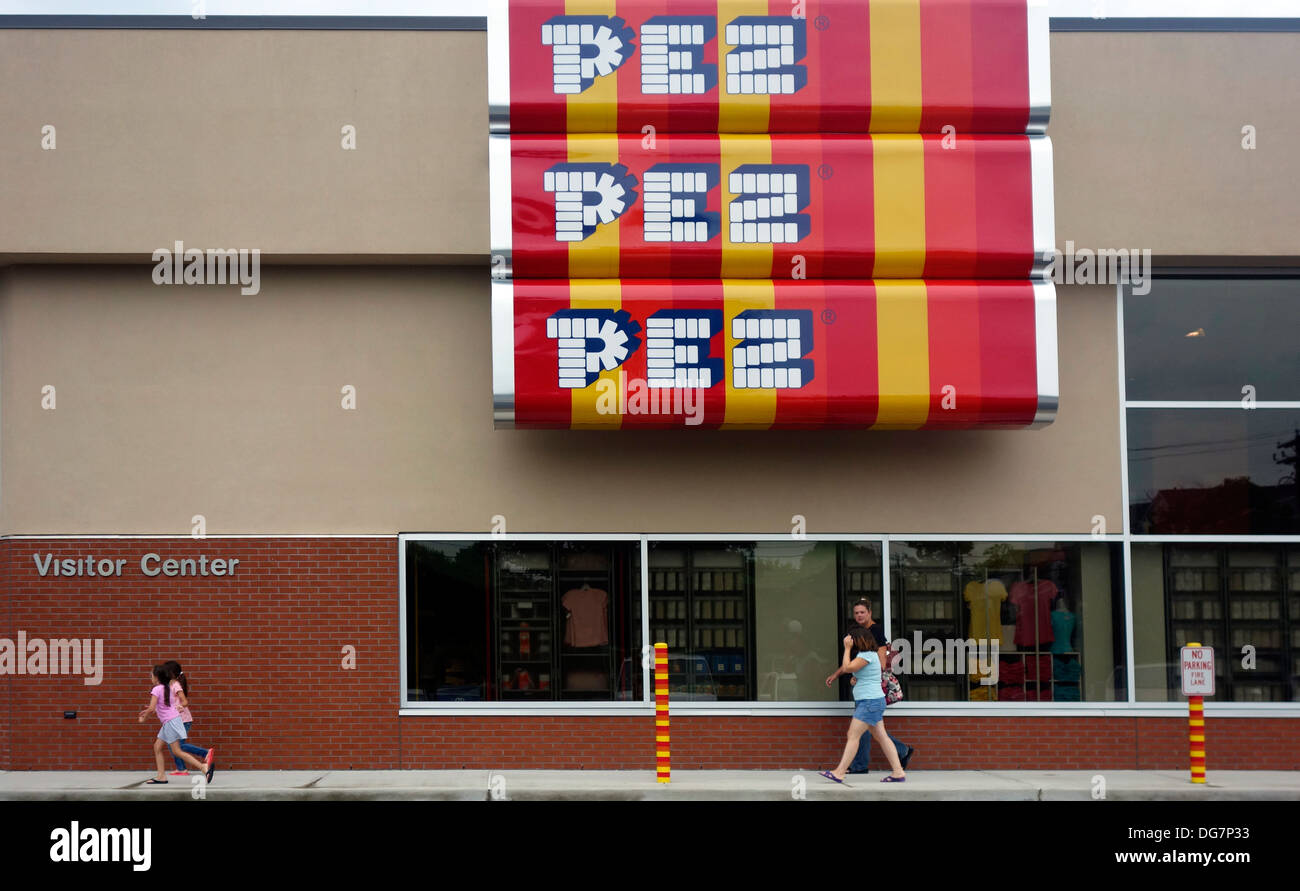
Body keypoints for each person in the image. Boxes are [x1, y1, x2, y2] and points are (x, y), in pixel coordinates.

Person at [825, 600, 914, 773]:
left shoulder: (875, 633)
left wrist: (862, 676)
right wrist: (837, 675)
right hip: (865, 691)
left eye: (862, 612)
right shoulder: (858, 633)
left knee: (857, 733)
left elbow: (878, 662)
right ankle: (900, 759)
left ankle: (852, 767)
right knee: (875, 732)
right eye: (856, 612)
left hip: (870, 692)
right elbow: (853, 664)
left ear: (870, 613)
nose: (859, 615)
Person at [820, 627, 905, 783]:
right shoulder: (866, 656)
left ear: (860, 640)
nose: (850, 641)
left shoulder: (866, 655)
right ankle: (898, 772)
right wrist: (855, 679)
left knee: (853, 735)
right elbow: (863, 675)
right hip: (870, 701)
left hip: (869, 702)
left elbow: (847, 668)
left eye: (852, 638)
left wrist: (847, 649)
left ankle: (839, 772)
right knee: (882, 737)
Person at [138, 664, 214, 785]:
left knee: (177, 751)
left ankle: (203, 768)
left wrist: (144, 717)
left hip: (170, 723)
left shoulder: (156, 689)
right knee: (157, 747)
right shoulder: (167, 688)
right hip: (172, 721)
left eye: (151, 675)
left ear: (157, 677)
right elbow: (164, 707)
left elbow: (152, 708)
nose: (150, 677)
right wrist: (153, 709)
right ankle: (161, 776)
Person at [164, 660, 215, 776]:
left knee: (179, 746)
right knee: (171, 744)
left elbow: (185, 701)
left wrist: (178, 708)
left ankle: (205, 753)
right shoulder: (169, 685)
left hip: (183, 720)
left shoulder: (175, 685)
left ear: (170, 673)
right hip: (175, 721)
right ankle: (181, 769)